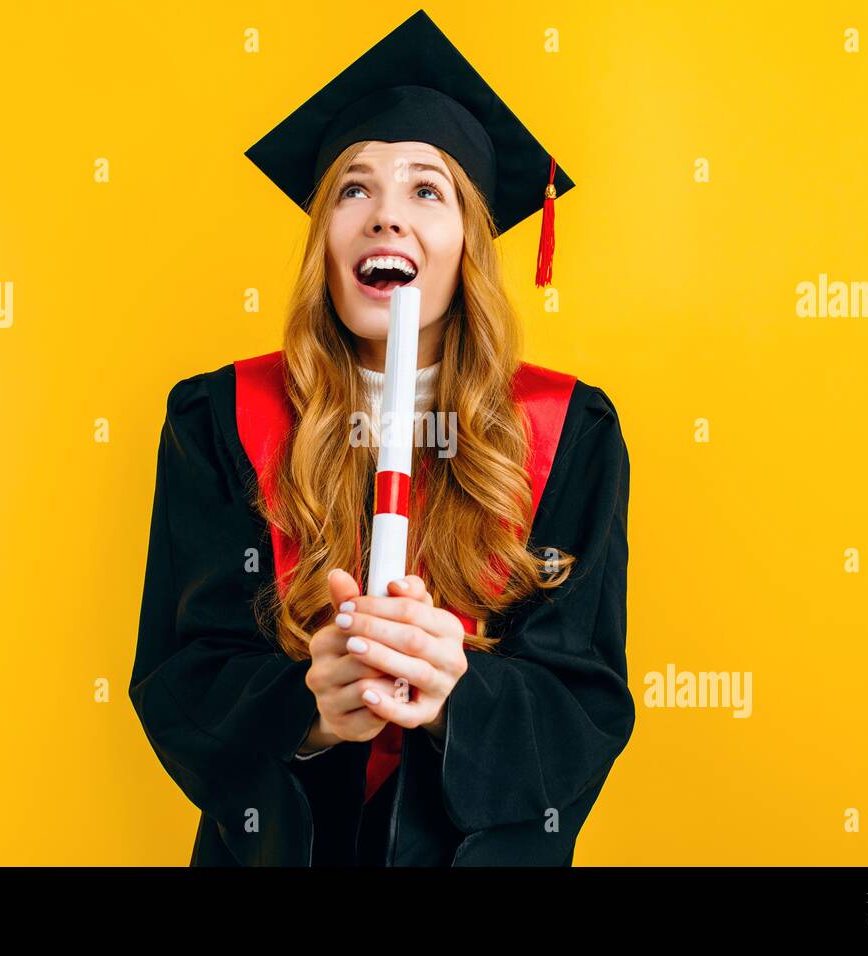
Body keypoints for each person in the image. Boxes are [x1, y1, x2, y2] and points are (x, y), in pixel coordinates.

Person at [128, 8, 635, 867]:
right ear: (323, 240)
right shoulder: (219, 419)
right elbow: (183, 674)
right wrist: (310, 710)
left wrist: (453, 693)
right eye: (354, 188)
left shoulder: (570, 430)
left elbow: (582, 703)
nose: (385, 217)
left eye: (426, 190)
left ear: (470, 243)